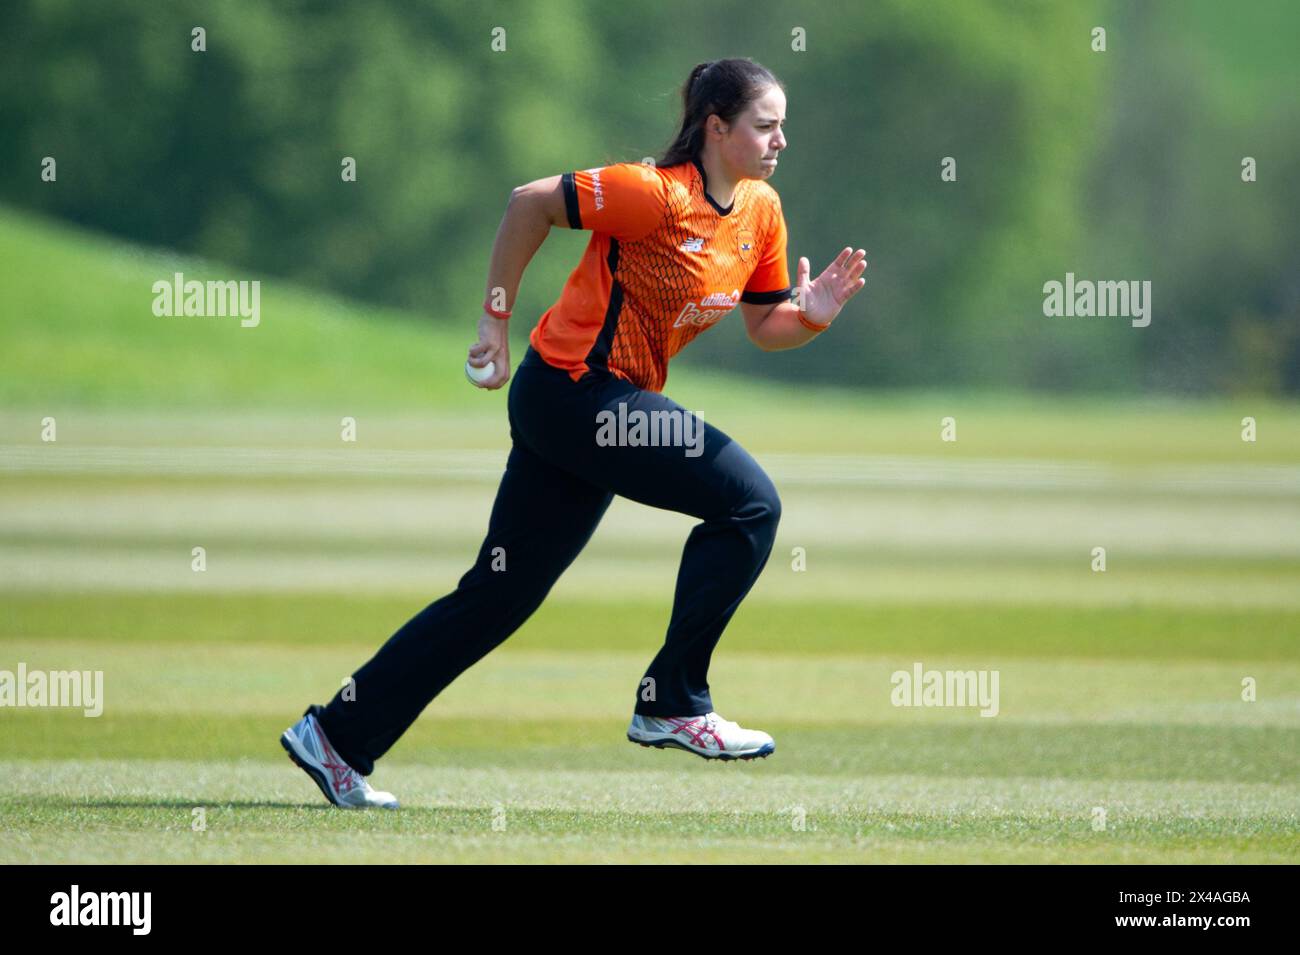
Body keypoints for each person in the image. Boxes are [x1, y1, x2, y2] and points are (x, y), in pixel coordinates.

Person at [280, 57, 867, 808]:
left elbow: (766, 325)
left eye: (783, 125)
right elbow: (529, 204)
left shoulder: (761, 211)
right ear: (717, 128)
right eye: (766, 125)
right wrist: (495, 318)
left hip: (595, 411)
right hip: (571, 394)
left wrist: (813, 314)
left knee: (498, 594)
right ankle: (672, 700)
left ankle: (336, 735)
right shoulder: (652, 193)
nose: (781, 139)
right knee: (750, 503)